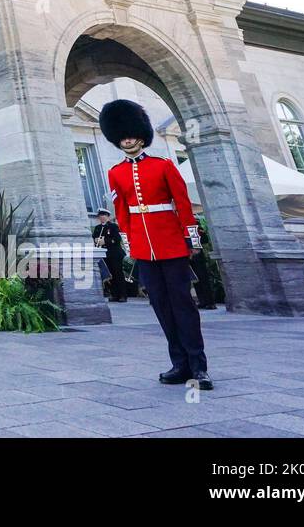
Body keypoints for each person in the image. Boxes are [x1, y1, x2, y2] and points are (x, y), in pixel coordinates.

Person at [100, 98, 213, 390]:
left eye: (131, 134)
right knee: (161, 306)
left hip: (172, 244)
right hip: (143, 247)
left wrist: (191, 236)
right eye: (122, 135)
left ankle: (198, 366)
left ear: (142, 136)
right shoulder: (116, 173)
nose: (127, 140)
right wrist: (128, 240)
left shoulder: (163, 166)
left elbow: (183, 203)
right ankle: (179, 363)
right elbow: (122, 210)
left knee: (183, 305)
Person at [93, 209, 128, 302]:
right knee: (110, 275)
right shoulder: (97, 228)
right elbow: (94, 238)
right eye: (100, 216)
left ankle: (122, 295)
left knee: (118, 274)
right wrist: (96, 241)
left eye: (104, 215)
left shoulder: (113, 226)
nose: (102, 217)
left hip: (115, 253)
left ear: (108, 216)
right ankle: (114, 294)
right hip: (105, 254)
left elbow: (116, 239)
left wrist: (105, 241)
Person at [190, 216, 218, 310]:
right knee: (196, 281)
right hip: (189, 257)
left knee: (203, 279)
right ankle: (202, 301)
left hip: (197, 256)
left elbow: (204, 238)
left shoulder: (195, 226)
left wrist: (195, 246)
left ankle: (210, 302)